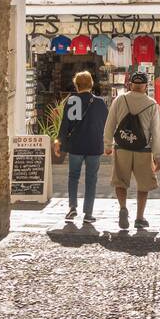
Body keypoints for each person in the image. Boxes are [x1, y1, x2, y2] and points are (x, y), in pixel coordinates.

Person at [103, 72, 160, 229]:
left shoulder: (120, 99)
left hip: (122, 148)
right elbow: (156, 132)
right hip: (143, 150)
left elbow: (110, 123)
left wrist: (108, 145)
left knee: (120, 181)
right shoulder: (152, 104)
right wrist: (158, 155)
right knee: (144, 185)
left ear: (129, 84)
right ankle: (139, 217)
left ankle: (123, 207)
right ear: (145, 86)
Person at [55, 70, 106, 223]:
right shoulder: (99, 102)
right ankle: (88, 214)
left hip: (76, 145)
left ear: (76, 85)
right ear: (91, 84)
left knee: (73, 176)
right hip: (94, 146)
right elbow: (106, 123)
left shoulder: (72, 101)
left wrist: (59, 142)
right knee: (91, 179)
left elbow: (65, 124)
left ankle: (72, 208)